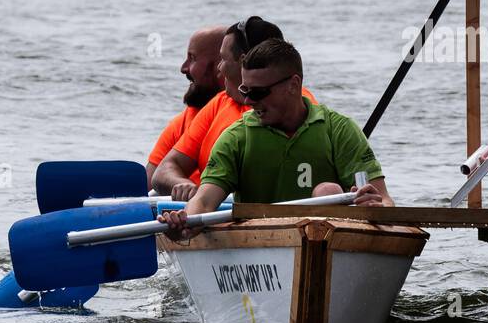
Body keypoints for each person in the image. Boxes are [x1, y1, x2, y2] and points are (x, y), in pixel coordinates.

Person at [159, 39, 391, 239]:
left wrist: (375, 207)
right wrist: (185, 223)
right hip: (259, 244)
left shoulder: (339, 129)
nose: (249, 102)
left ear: (293, 85)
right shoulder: (236, 137)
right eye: (245, 90)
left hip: (330, 241)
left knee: (327, 192)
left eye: (258, 92)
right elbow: (205, 202)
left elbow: (386, 201)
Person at [151, 16, 316, 201]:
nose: (219, 68)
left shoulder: (296, 107)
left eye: (223, 59)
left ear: (244, 61)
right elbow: (164, 169)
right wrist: (187, 187)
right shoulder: (220, 102)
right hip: (211, 208)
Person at [146, 25, 225, 187]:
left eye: (193, 58)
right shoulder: (183, 120)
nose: (183, 68)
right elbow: (148, 184)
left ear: (221, 65)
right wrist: (184, 187)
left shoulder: (255, 113)